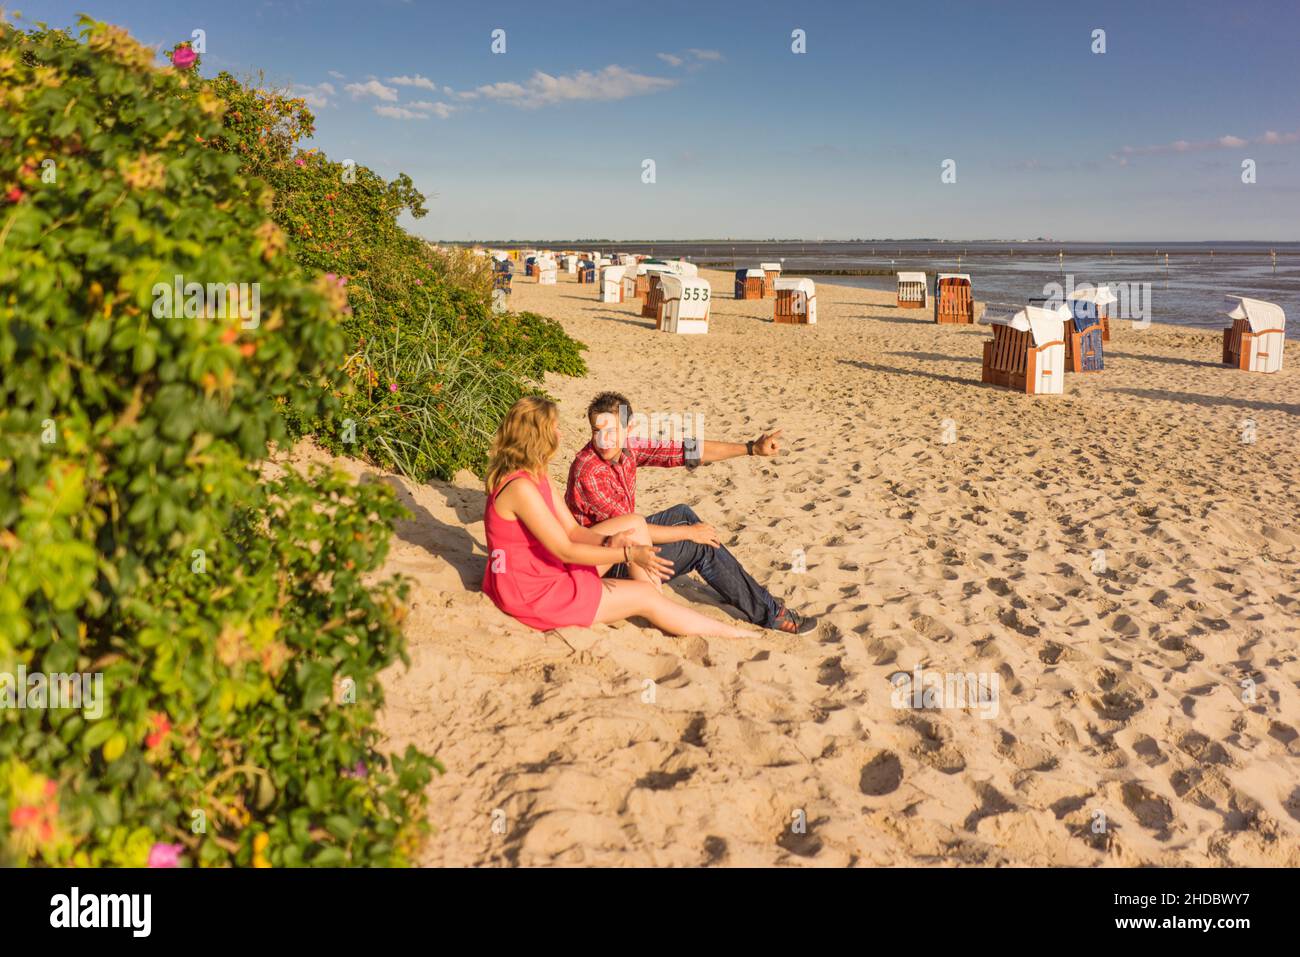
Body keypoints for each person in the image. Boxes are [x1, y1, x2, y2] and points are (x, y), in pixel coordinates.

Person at [482, 396, 751, 638]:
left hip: (550, 567)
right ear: (537, 437)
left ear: (628, 431)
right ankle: (738, 634)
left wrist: (750, 448)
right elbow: (565, 549)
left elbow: (574, 532)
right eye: (554, 428)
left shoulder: (537, 473)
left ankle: (661, 606)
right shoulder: (525, 487)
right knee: (684, 553)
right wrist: (629, 554)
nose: (560, 434)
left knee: (651, 522)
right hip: (535, 594)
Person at [565, 391, 818, 634]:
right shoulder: (589, 470)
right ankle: (771, 614)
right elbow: (627, 530)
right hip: (605, 560)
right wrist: (689, 533)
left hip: (627, 541)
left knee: (683, 514)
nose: (604, 440)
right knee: (700, 544)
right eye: (597, 431)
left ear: (629, 430)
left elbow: (685, 451)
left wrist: (751, 448)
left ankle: (744, 591)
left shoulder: (629, 448)